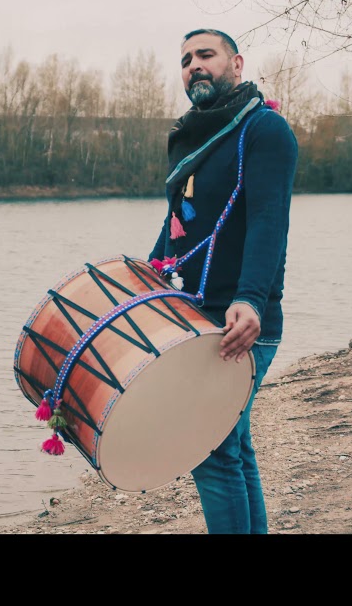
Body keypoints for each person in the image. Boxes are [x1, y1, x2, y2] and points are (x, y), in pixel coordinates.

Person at [148, 29, 298, 534]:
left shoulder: (264, 129)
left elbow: (269, 221)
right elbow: (178, 222)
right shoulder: (191, 136)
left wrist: (250, 299)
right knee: (232, 448)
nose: (193, 64)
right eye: (185, 59)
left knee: (210, 450)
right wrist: (146, 275)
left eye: (205, 55)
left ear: (236, 64)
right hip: (194, 316)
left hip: (241, 321)